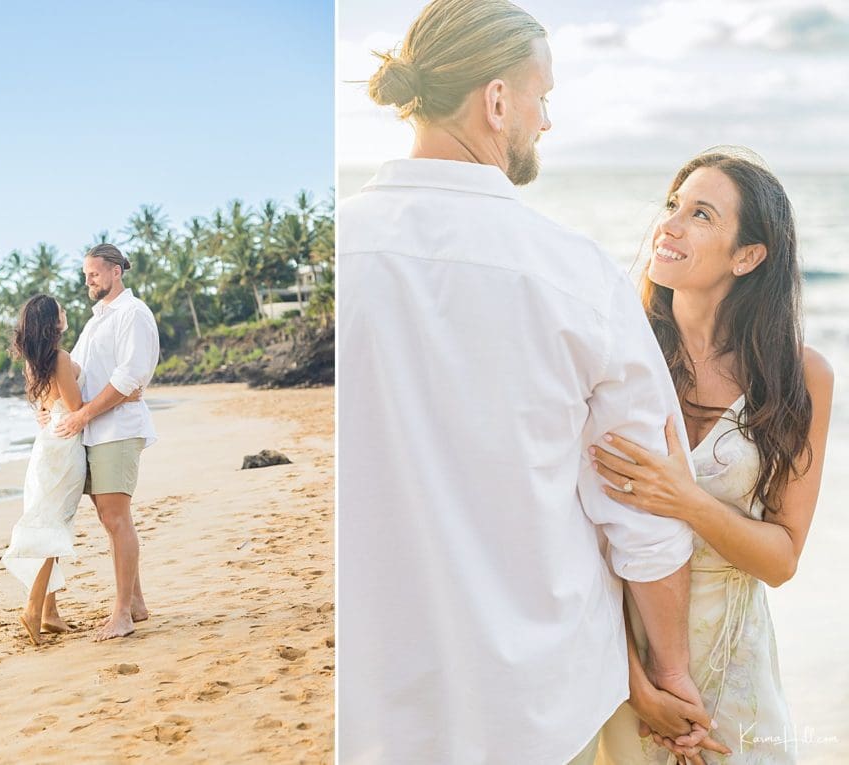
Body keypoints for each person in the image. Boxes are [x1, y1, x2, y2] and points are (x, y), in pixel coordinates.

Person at [338, 1, 724, 762]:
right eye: (542, 97)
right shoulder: (572, 272)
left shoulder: (340, 249)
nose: (545, 121)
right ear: (497, 100)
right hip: (542, 705)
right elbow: (640, 507)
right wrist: (668, 668)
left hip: (372, 710)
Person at [592, 151, 834, 764]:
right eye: (672, 205)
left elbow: (781, 560)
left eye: (699, 214)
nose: (668, 225)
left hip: (735, 662)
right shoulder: (616, 354)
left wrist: (687, 502)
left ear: (748, 256)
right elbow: (578, 541)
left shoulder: (799, 376)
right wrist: (638, 684)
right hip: (618, 661)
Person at [53, 243, 160, 642]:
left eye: (94, 274)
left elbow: (130, 376)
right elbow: (78, 372)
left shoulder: (132, 314)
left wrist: (83, 414)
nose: (88, 281)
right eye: (86, 275)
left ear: (116, 271)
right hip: (97, 430)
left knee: (117, 520)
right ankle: (135, 602)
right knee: (109, 521)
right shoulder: (97, 319)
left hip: (117, 429)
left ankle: (121, 615)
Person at [1, 295, 88, 646]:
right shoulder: (61, 359)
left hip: (47, 444)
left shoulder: (33, 362)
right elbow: (75, 406)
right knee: (53, 528)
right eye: (61, 311)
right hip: (64, 446)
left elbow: (44, 406)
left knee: (53, 524)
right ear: (53, 322)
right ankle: (34, 608)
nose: (65, 314)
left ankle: (50, 613)